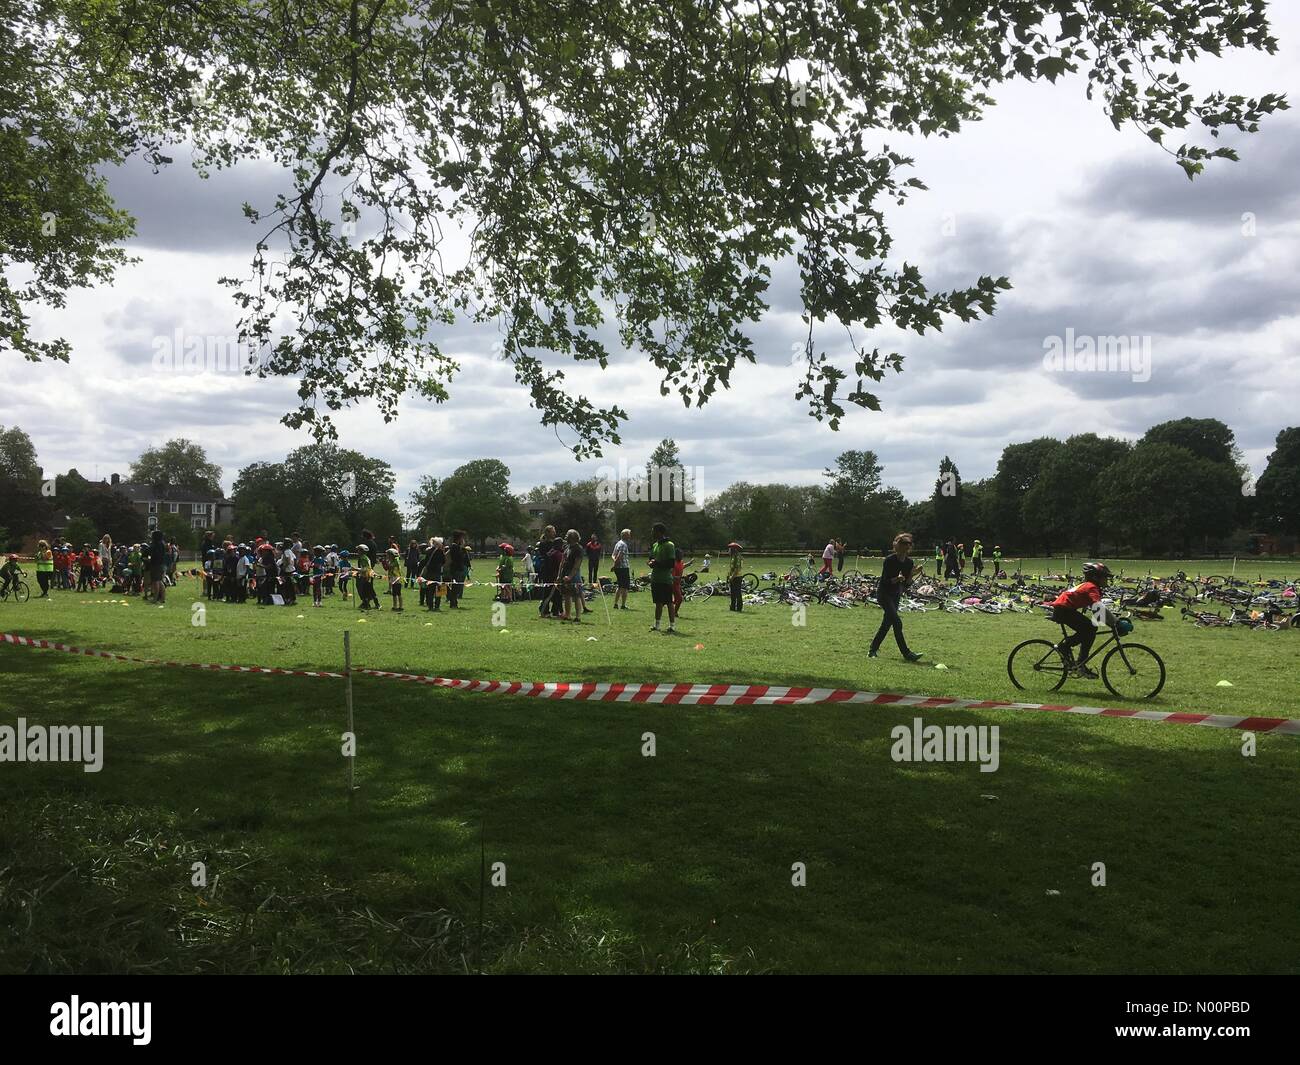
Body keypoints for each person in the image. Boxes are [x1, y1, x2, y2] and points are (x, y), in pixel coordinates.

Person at [1050, 562, 1113, 678]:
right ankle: (1067, 650)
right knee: (1090, 628)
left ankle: (1080, 664)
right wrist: (1116, 623)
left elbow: (1098, 613)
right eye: (1105, 577)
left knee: (1092, 628)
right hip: (1063, 610)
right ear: (1096, 577)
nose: (1106, 580)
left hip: (1064, 609)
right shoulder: (1091, 587)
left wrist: (1111, 622)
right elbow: (1099, 608)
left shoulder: (1089, 586)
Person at [869, 533, 923, 662]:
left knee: (887, 624)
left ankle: (872, 650)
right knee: (897, 622)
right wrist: (896, 579)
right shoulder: (889, 560)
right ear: (897, 545)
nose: (906, 546)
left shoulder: (909, 562)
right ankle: (907, 654)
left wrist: (912, 574)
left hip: (895, 595)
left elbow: (906, 584)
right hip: (884, 594)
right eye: (904, 543)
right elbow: (886, 581)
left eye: (908, 543)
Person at [647, 522, 678, 633]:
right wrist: (650, 563)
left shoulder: (669, 545)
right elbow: (651, 558)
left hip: (665, 579)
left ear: (659, 532)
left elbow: (671, 563)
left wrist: (657, 563)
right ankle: (657, 625)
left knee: (669, 602)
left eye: (653, 531)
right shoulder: (655, 545)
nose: (652, 533)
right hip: (655, 578)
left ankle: (672, 625)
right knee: (658, 603)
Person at [561, 529, 584, 622]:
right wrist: (559, 575)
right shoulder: (567, 548)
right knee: (566, 595)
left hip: (574, 575)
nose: (566, 537)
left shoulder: (579, 549)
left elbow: (577, 565)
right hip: (565, 573)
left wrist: (570, 576)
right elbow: (562, 562)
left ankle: (578, 616)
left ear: (572, 537)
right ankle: (568, 615)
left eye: (567, 535)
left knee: (576, 596)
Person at [421, 537, 445, 611]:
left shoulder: (428, 551)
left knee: (430, 591)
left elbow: (425, 561)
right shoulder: (440, 551)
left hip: (429, 572)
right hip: (437, 572)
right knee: (439, 590)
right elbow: (443, 561)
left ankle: (430, 606)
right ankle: (437, 606)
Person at [447, 531, 470, 608]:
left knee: (456, 587)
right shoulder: (455, 546)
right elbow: (458, 558)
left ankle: (454, 602)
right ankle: (453, 603)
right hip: (456, 569)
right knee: (455, 587)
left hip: (457, 568)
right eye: (462, 538)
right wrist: (463, 552)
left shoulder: (457, 546)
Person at [611, 528, 631, 610]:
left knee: (620, 586)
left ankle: (616, 604)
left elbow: (613, 555)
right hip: (623, 568)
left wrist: (614, 564)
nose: (630, 536)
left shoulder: (618, 543)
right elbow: (619, 557)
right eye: (629, 534)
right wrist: (614, 565)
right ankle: (623, 605)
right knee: (625, 587)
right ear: (625, 535)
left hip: (619, 568)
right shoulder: (623, 545)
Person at [146, 530, 168, 603]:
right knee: (159, 581)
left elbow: (153, 553)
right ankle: (162, 598)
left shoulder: (157, 544)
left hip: (156, 564)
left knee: (156, 581)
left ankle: (155, 598)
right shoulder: (162, 543)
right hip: (160, 564)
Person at [384, 547, 404, 611]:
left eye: (388, 555)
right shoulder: (391, 561)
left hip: (397, 579)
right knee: (394, 593)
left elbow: (390, 566)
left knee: (398, 593)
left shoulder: (396, 561)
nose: (387, 556)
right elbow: (386, 568)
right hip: (393, 578)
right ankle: (394, 606)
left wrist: (385, 562)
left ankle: (400, 606)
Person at [727, 541, 744, 612]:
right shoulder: (732, 557)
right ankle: (732, 607)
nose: (728, 551)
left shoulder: (737, 557)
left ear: (733, 550)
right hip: (732, 576)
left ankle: (739, 607)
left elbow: (737, 568)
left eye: (730, 549)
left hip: (737, 577)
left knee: (737, 593)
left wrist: (732, 577)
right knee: (732, 593)